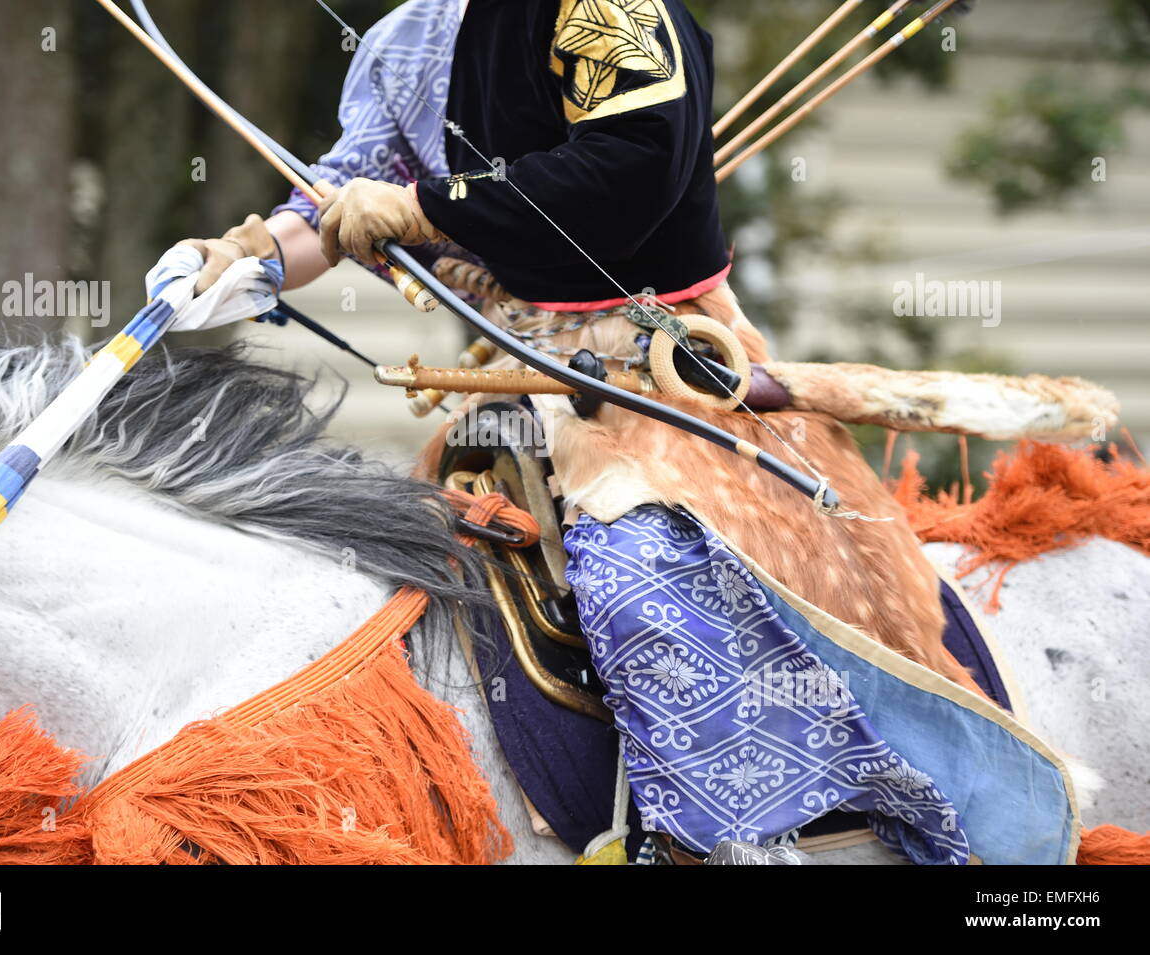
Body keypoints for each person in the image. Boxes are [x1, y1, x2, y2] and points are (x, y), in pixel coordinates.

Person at [183, 0, 994, 862]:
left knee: (638, 582)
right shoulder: (406, 36)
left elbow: (627, 169)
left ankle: (738, 842)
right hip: (512, 378)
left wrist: (424, 210)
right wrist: (247, 257)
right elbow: (342, 200)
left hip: (659, 370)